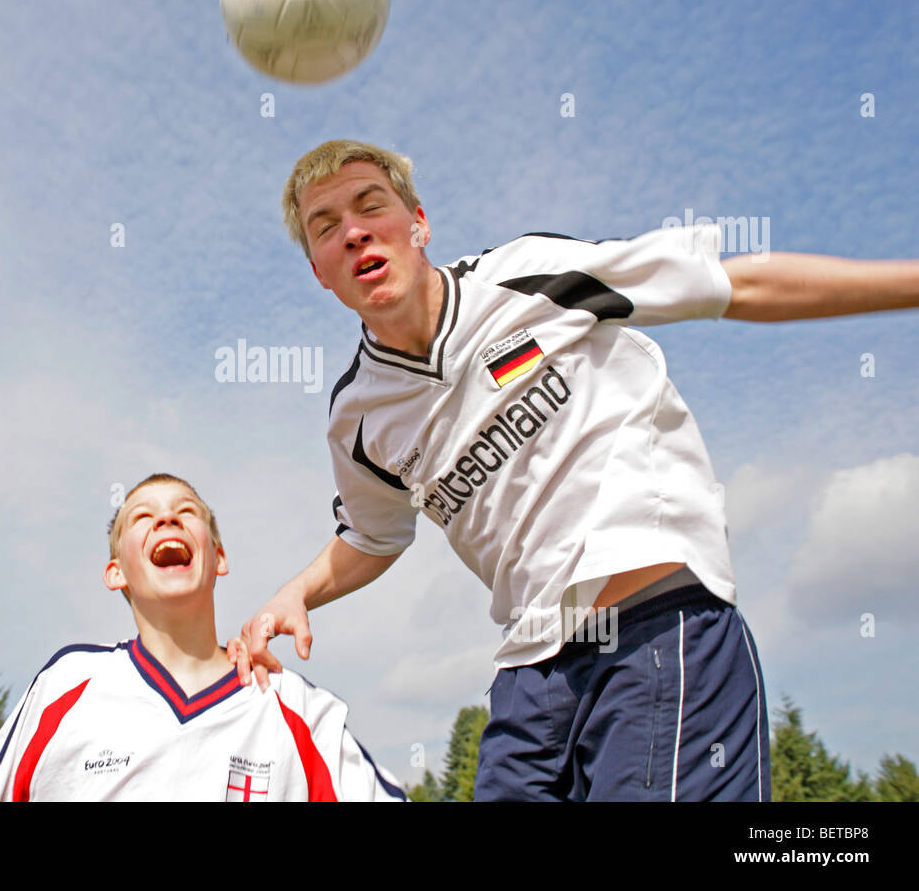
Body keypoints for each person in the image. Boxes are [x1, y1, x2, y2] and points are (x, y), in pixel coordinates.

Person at [234, 139, 919, 801]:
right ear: (319, 271)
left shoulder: (527, 275)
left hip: (656, 624)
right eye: (327, 227)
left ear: (418, 224)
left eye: (370, 205)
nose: (354, 232)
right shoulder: (358, 418)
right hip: (528, 681)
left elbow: (733, 283)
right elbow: (372, 536)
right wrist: (296, 592)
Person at [0, 472, 404, 802]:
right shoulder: (69, 683)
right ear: (115, 572)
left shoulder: (294, 706)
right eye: (142, 517)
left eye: (187, 511)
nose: (167, 517)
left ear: (219, 557)